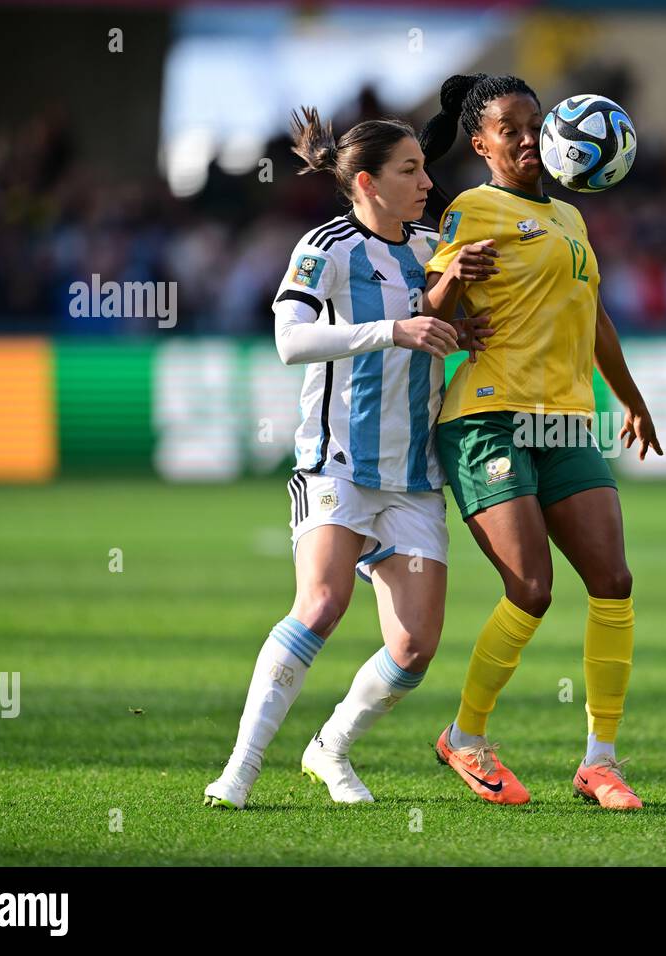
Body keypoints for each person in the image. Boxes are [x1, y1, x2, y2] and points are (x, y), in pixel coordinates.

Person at [203, 108, 491, 809]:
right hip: (336, 461)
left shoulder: (432, 244)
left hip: (415, 477)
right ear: (366, 182)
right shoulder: (325, 247)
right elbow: (290, 341)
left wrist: (462, 327)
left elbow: (440, 318)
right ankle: (241, 769)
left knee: (415, 649)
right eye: (410, 170)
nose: (428, 181)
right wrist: (393, 328)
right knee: (322, 603)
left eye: (425, 166)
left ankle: (329, 747)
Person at [418, 73, 662, 810]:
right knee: (530, 589)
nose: (527, 140)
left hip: (565, 422)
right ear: (482, 142)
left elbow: (594, 319)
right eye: (510, 130)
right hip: (488, 416)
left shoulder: (571, 220)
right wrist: (451, 280)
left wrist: (632, 400)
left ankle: (600, 760)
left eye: (535, 126)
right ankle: (465, 736)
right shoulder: (470, 208)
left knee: (613, 582)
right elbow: (430, 315)